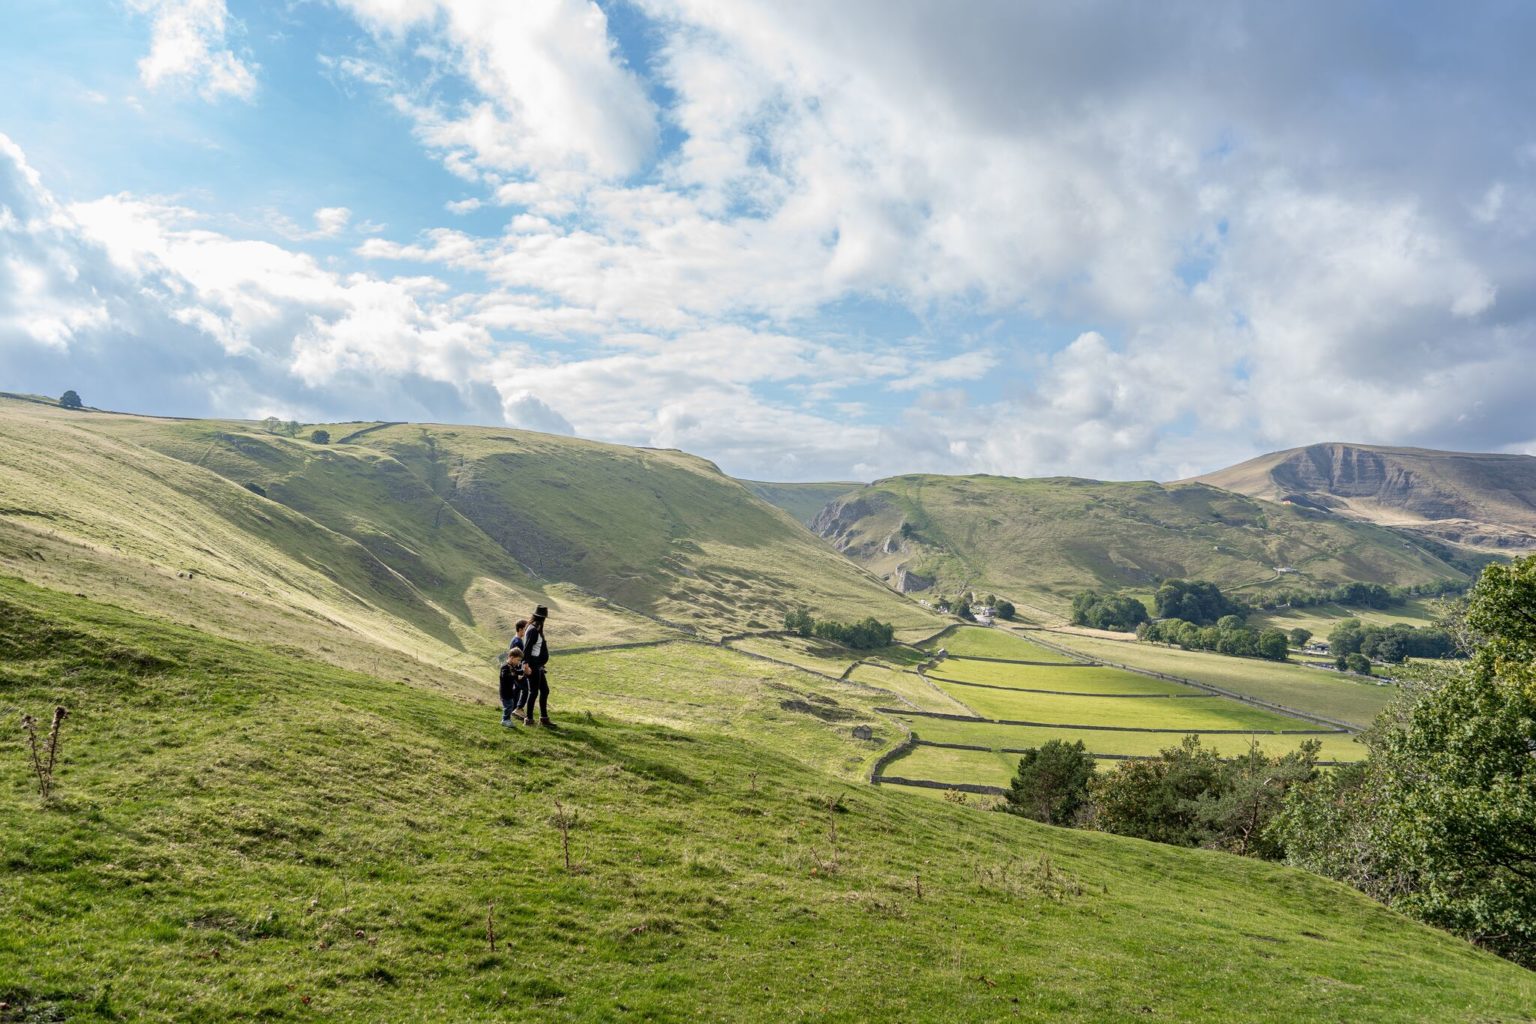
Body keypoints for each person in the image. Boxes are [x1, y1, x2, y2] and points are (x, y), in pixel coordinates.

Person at [522, 605, 552, 726]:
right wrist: (526, 665)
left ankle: (543, 718)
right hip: (533, 665)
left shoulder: (535, 629)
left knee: (544, 690)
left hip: (537, 665)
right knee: (533, 692)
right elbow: (527, 649)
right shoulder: (533, 630)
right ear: (542, 619)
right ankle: (529, 719)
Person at [507, 619, 529, 721]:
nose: (526, 631)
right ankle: (519, 709)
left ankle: (513, 709)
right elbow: (516, 659)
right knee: (525, 689)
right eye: (525, 629)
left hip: (514, 671)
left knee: (517, 689)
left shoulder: (515, 639)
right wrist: (519, 672)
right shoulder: (518, 642)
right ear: (520, 629)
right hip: (517, 671)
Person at [498, 648, 526, 728]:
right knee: (508, 706)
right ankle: (505, 720)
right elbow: (505, 676)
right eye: (518, 660)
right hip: (505, 692)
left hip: (509, 691)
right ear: (511, 657)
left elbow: (516, 673)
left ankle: (507, 719)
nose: (519, 662)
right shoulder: (505, 667)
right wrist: (515, 676)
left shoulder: (512, 667)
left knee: (510, 705)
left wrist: (523, 672)